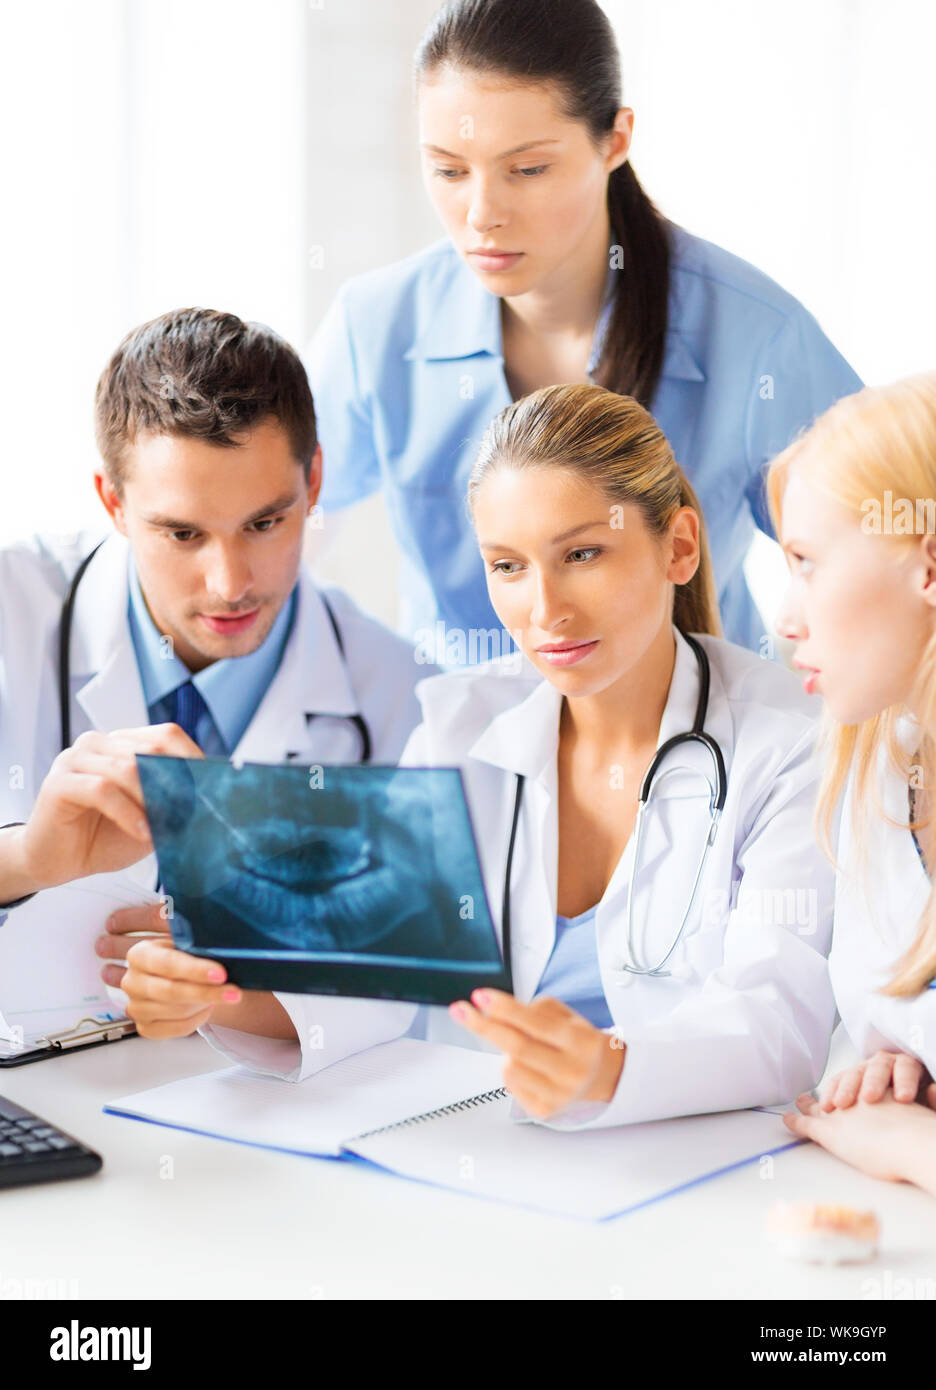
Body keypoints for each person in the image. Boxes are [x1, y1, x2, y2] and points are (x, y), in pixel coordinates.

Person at [121, 383, 837, 1130]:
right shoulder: (462, 729)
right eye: (508, 566)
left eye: (583, 553)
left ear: (679, 546)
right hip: (488, 1159)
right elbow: (378, 977)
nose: (545, 609)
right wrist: (217, 992)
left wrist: (609, 1068)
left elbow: (778, 1020)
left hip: (701, 1175)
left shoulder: (789, 745)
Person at [306, 0, 861, 660]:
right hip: (466, 748)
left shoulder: (757, 337)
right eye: (449, 169)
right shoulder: (376, 327)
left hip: (702, 747)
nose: (482, 213)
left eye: (528, 169)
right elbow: (261, 537)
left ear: (615, 140)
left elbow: (884, 556)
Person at [0, 307, 430, 1066]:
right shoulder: (13, 612)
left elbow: (405, 979)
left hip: (239, 1129)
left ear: (315, 480)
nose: (231, 584)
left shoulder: (394, 690)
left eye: (265, 523)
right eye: (183, 534)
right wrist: (29, 859)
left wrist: (223, 990)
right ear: (113, 504)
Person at [768, 372, 936, 1198]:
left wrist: (914, 1150)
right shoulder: (879, 760)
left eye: (806, 563)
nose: (784, 618)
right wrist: (902, 1070)